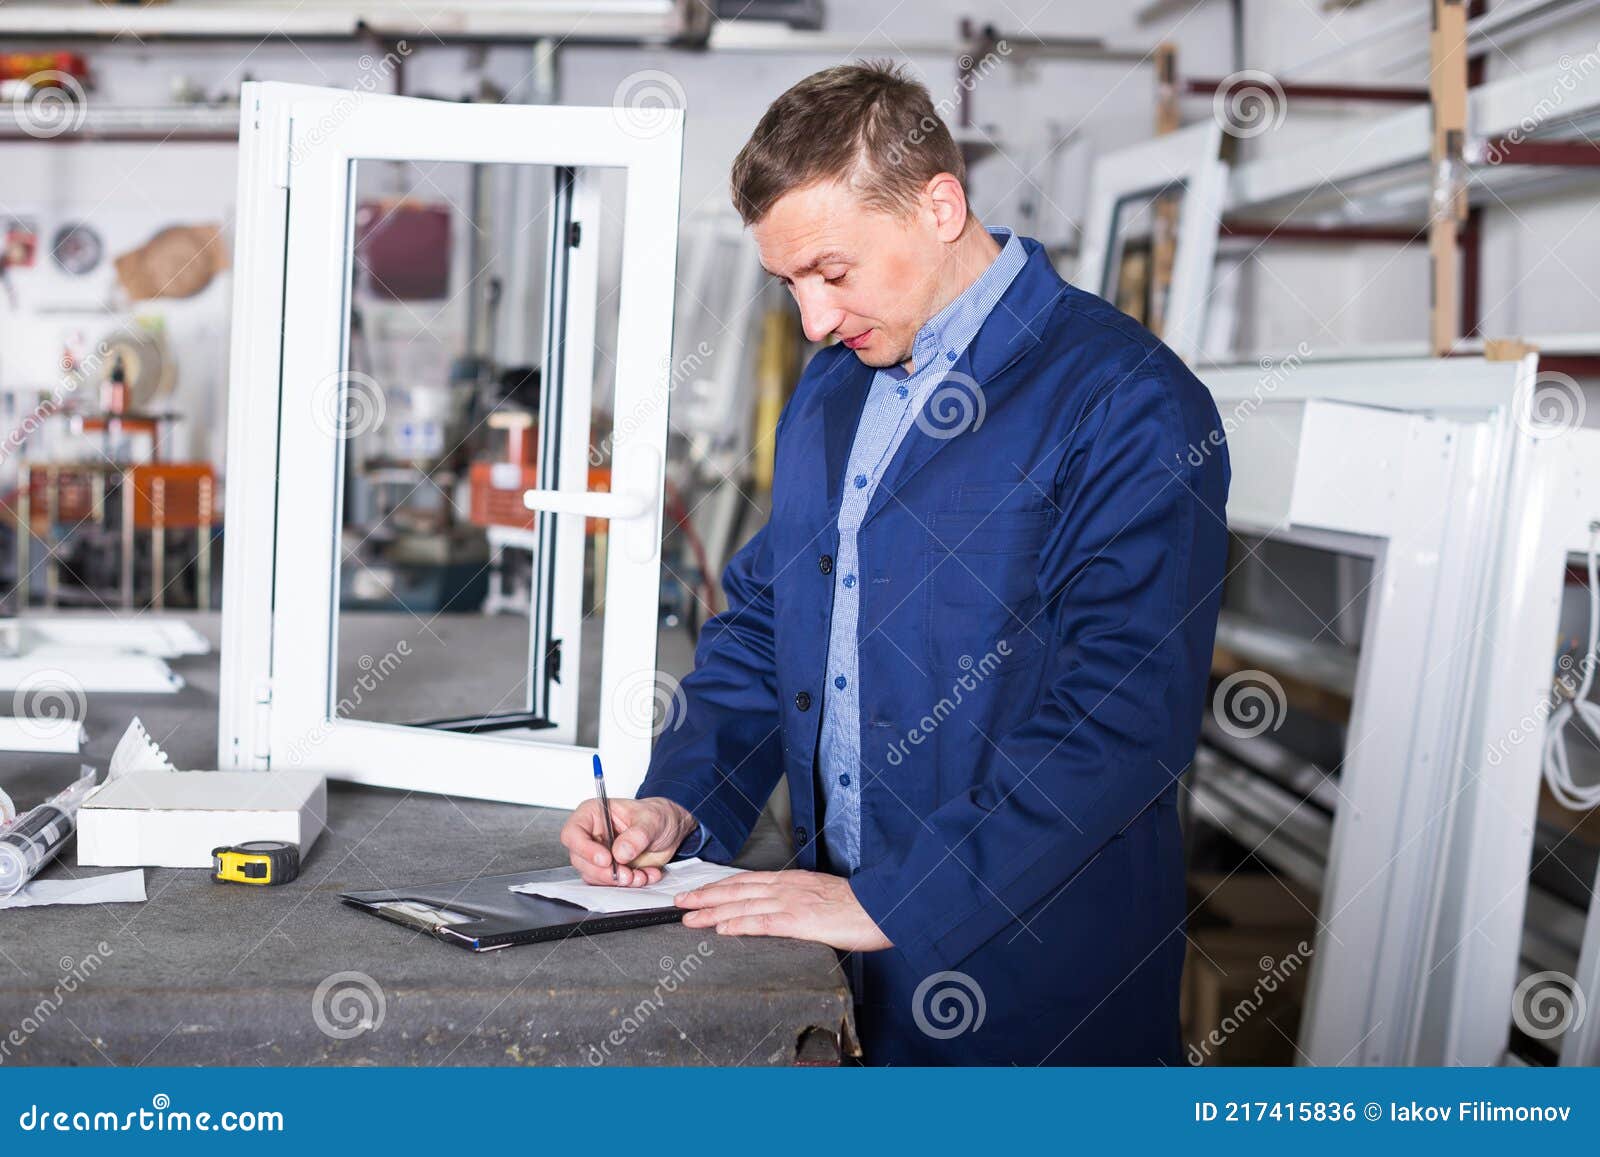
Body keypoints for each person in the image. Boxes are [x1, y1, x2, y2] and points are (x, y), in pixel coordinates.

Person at [561, 60, 1229, 1065]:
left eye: (832, 272)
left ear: (940, 207)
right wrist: (681, 799)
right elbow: (769, 623)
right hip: (842, 959)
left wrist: (896, 898)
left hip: (1034, 992)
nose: (814, 320)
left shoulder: (1126, 399)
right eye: (790, 284)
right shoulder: (833, 388)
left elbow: (1121, 718)